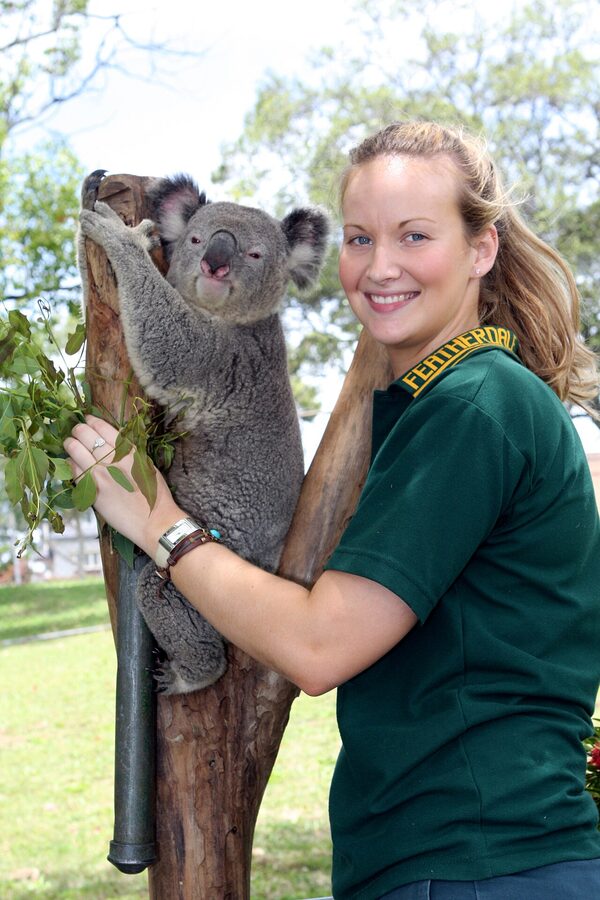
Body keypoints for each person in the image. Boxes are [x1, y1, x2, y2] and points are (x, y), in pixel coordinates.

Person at [65, 120, 600, 899]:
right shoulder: (442, 399)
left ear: (480, 249)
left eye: (415, 236)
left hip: (481, 860)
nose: (380, 266)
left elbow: (318, 646)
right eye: (359, 238)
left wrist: (157, 521)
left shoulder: (473, 408)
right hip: (444, 854)